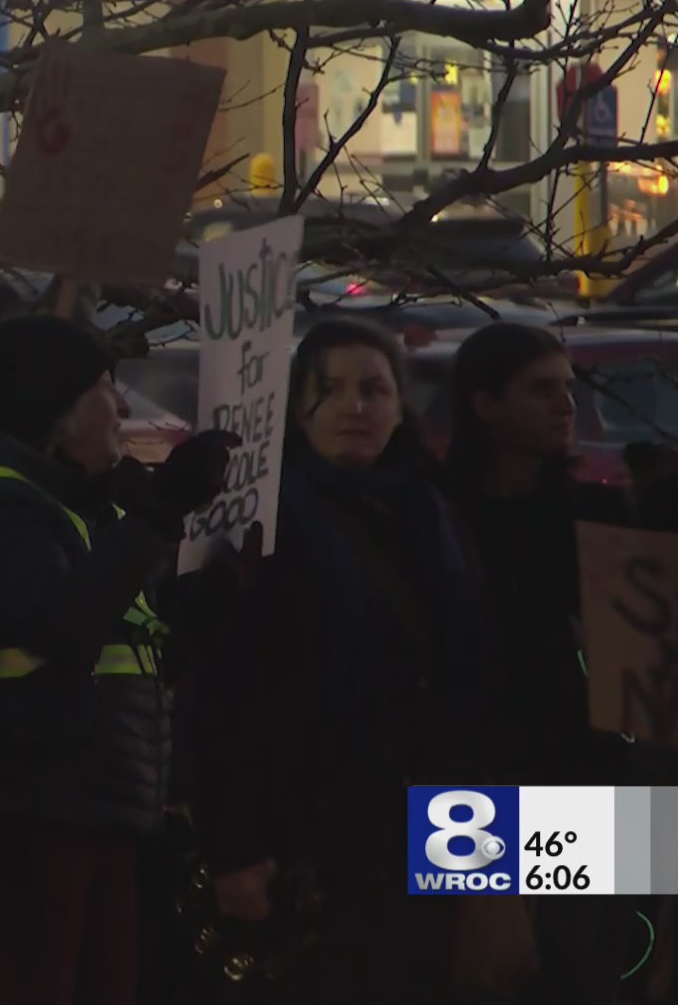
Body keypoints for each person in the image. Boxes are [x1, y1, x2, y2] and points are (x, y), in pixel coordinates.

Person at [0, 316, 235, 1005]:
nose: (125, 408)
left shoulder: (78, 508)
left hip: (97, 804)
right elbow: (58, 621)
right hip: (31, 809)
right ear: (54, 410)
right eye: (106, 387)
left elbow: (126, 642)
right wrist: (159, 514)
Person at [190, 316, 490, 1004]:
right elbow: (224, 690)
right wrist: (235, 847)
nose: (356, 407)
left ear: (398, 405)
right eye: (330, 390)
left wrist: (486, 856)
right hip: (307, 836)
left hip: (438, 824)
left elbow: (473, 680)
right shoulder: (262, 521)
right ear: (296, 407)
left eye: (374, 389)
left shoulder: (434, 511)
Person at [443, 322, 638, 1004]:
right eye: (542, 389)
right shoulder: (442, 517)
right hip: (477, 783)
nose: (566, 406)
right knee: (489, 969)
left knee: (585, 966)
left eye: (568, 387)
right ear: (484, 403)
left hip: (593, 778)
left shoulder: (600, 513)